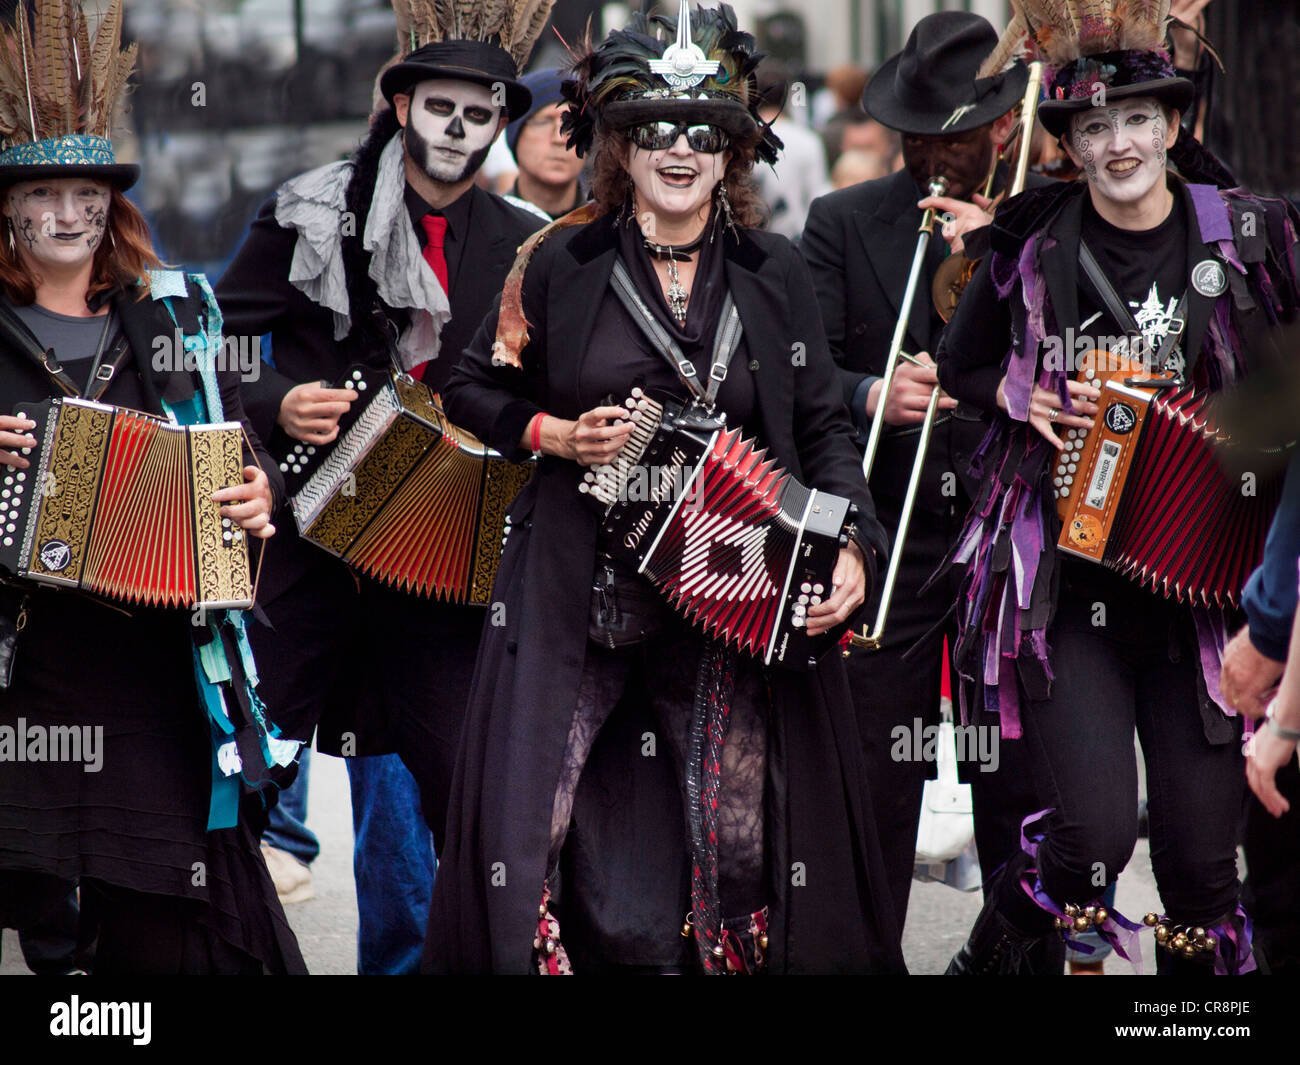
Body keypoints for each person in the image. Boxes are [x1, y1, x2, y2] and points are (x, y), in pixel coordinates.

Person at [424, 0, 903, 975]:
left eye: (700, 133)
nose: (677, 151)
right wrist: (549, 431)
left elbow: (818, 428)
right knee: (525, 836)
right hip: (577, 597)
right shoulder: (560, 260)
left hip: (727, 600)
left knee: (739, 851)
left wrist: (851, 539)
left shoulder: (774, 274)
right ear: (620, 145)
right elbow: (465, 386)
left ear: (730, 150)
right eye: (653, 133)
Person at [935, 0, 1299, 975]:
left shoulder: (1252, 238)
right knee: (1090, 846)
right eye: (1093, 126)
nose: (1118, 141)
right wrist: (1022, 400)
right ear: (1069, 147)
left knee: (1199, 867)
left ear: (1174, 127)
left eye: (1138, 119)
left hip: (1206, 602)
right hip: (1074, 591)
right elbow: (959, 366)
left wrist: (1256, 436)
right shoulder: (1032, 247)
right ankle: (991, 952)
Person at [214, 1, 551, 973]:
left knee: (468, 788)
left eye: (478, 112)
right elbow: (207, 339)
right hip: (310, 537)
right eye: (438, 106)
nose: (457, 128)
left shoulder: (527, 239)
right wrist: (279, 399)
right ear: (400, 105)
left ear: (498, 123)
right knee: (246, 757)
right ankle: (226, 952)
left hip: (444, 556)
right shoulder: (311, 209)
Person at [0, 0, 302, 974]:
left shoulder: (169, 313)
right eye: (41, 193)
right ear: (9, 208)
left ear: (110, 204)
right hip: (26, 673)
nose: (64, 214)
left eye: (84, 191)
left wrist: (257, 502)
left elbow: (230, 443)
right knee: (49, 915)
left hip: (153, 667)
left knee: (160, 904)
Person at [799, 11, 1049, 954]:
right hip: (892, 540)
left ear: (999, 128)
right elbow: (805, 370)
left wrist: (1008, 248)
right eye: (922, 136)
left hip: (1009, 545)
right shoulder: (839, 221)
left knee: (1025, 790)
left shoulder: (1044, 220)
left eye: (958, 135)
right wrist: (872, 393)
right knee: (868, 780)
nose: (940, 155)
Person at [750, 58, 829, 241]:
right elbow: (818, 196)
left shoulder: (742, 139)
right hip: (797, 241)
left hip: (750, 244)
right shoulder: (808, 140)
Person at [503, 68, 585, 222]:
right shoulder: (486, 225)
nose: (559, 139)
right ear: (515, 134)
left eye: (572, 124)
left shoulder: (610, 231)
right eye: (544, 122)